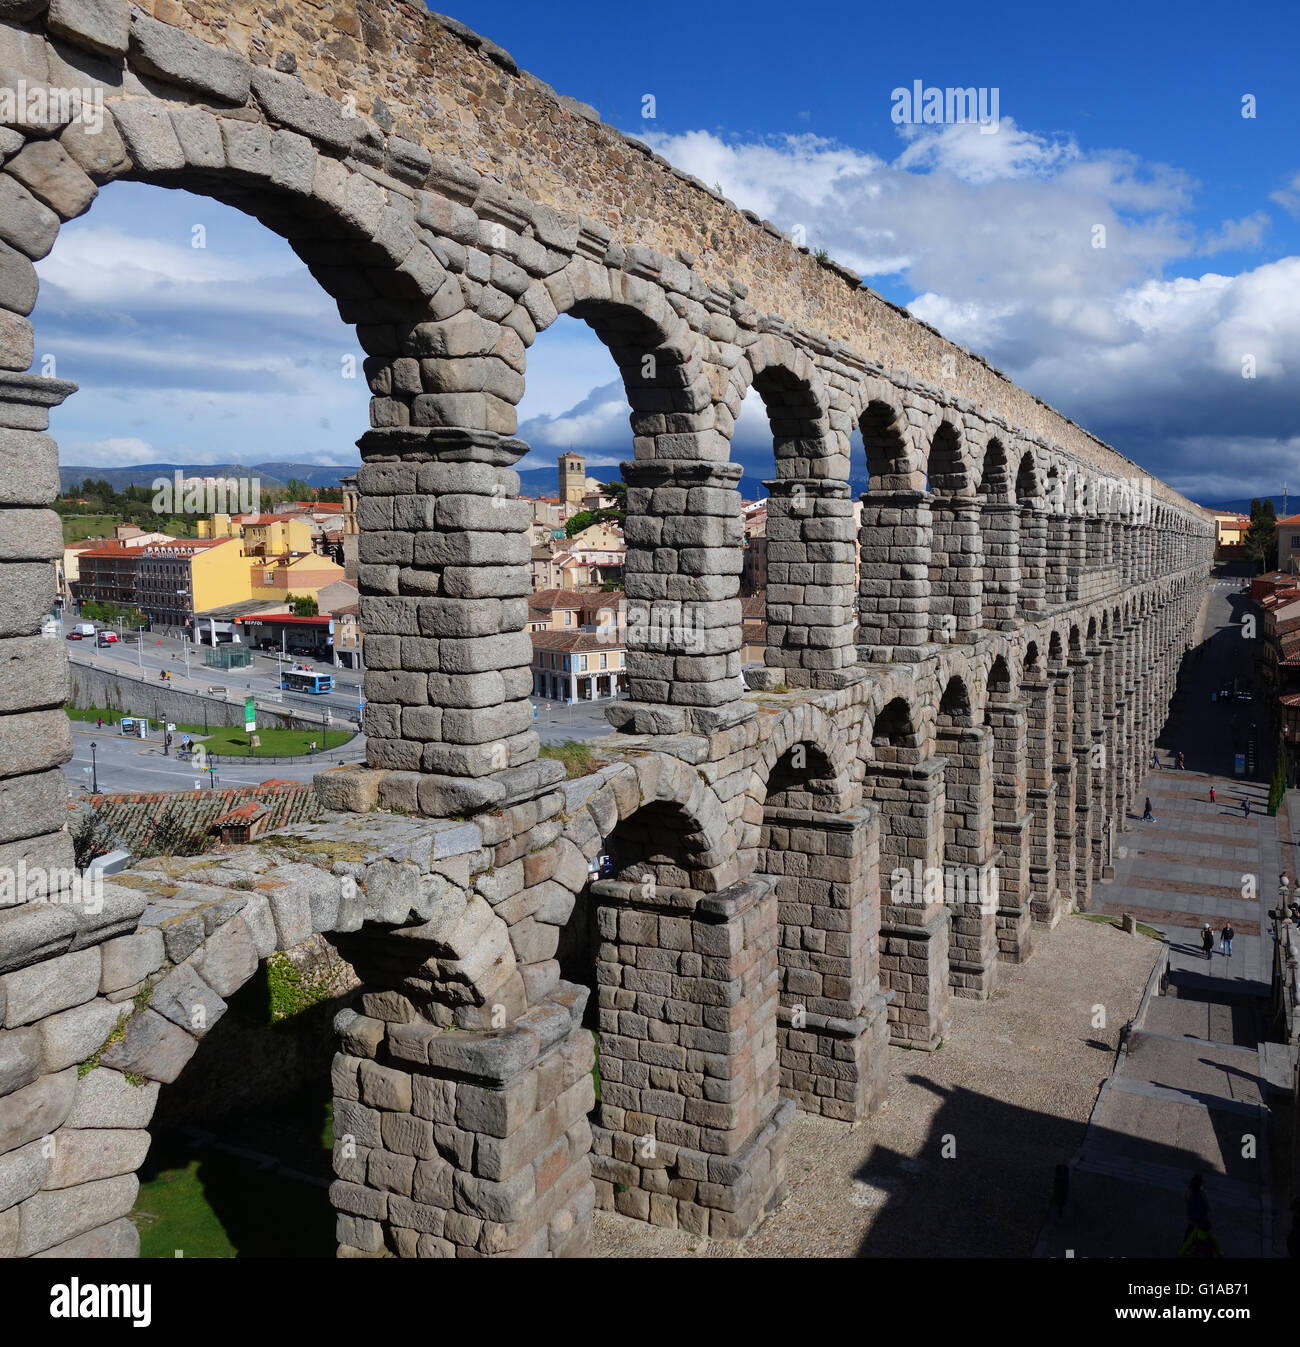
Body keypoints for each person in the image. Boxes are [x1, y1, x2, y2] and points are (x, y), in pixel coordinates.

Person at [1184, 1174, 1210, 1239]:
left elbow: (1185, 1199)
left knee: (1191, 1227)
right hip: (1200, 1213)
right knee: (1200, 1228)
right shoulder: (1201, 1192)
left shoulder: (1190, 1190)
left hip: (1192, 1213)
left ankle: (1187, 1241)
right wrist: (1208, 1209)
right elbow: (1206, 1202)